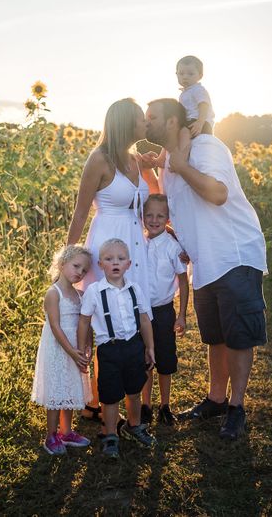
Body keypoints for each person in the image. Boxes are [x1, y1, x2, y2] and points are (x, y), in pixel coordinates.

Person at [144, 98, 268, 441]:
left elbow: (216, 193)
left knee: (239, 335)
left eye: (152, 117)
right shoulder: (170, 160)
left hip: (234, 253)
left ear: (172, 121)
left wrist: (182, 166)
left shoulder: (206, 146)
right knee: (215, 335)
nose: (146, 123)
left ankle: (236, 408)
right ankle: (216, 399)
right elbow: (172, 208)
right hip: (204, 260)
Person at [66, 98, 158, 423]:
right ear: (124, 123)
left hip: (135, 247)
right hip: (105, 243)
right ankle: (95, 399)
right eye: (140, 120)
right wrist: (68, 261)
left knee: (133, 315)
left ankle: (134, 398)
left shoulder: (135, 160)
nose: (146, 124)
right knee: (101, 319)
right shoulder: (99, 159)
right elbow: (79, 211)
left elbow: (153, 200)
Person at [77, 239, 157, 460]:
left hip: (133, 346)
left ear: (128, 264)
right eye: (109, 259)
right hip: (108, 350)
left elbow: (144, 319)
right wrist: (83, 347)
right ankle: (110, 434)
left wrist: (149, 346)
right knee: (110, 394)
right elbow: (84, 321)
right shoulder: (94, 291)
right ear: (100, 264)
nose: (115, 263)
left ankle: (135, 425)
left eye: (120, 259)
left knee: (134, 389)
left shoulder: (135, 289)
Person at [30, 245, 95, 455]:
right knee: (57, 390)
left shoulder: (80, 294)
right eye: (76, 266)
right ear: (62, 264)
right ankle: (51, 436)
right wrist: (70, 350)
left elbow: (87, 321)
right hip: (58, 349)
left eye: (84, 270)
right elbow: (55, 327)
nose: (79, 272)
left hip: (76, 348)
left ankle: (66, 432)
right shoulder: (53, 293)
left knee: (69, 389)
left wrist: (87, 347)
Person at [139, 194, 189, 426]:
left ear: (167, 219)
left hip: (163, 312)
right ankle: (145, 405)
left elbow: (182, 280)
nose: (154, 219)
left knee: (165, 360)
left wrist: (181, 315)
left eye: (160, 215)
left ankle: (165, 406)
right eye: (149, 215)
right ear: (142, 216)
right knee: (145, 359)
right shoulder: (138, 243)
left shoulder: (173, 247)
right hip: (142, 313)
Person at [176, 55, 215, 137]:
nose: (185, 77)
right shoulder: (184, 93)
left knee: (180, 135)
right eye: (181, 74)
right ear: (176, 74)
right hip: (190, 122)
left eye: (190, 74)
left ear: (200, 75)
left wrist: (200, 123)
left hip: (200, 122)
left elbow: (204, 105)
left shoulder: (198, 89)